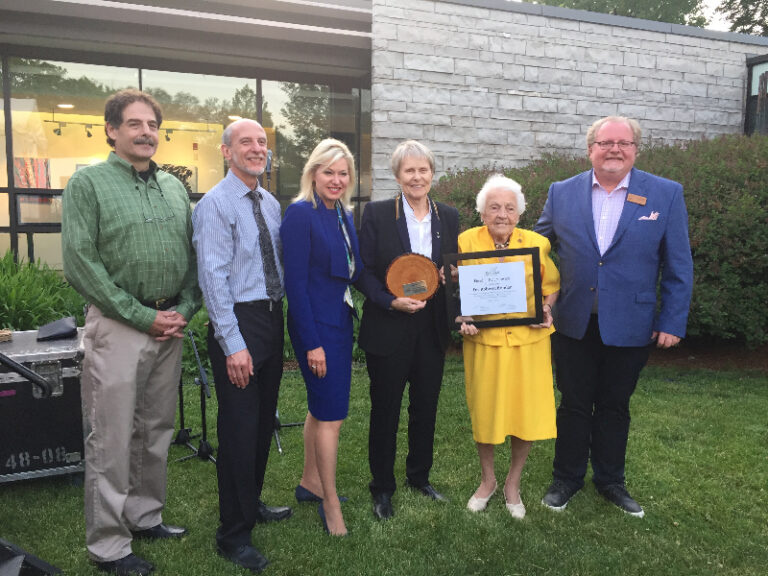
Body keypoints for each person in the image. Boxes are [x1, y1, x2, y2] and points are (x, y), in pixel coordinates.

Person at [62, 89, 201, 576]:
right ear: (112, 130)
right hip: (119, 324)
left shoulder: (174, 188)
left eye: (152, 125)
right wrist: (142, 317)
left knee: (155, 429)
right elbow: (81, 263)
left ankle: (144, 516)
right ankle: (108, 545)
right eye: (135, 124)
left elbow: (191, 256)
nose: (146, 133)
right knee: (112, 436)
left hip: (170, 326)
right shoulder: (88, 184)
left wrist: (185, 307)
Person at [535, 116, 694, 518]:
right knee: (573, 404)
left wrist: (672, 321)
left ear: (636, 149)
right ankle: (566, 479)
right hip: (573, 321)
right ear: (590, 148)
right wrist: (493, 262)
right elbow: (534, 250)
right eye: (606, 142)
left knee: (614, 406)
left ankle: (610, 481)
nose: (615, 150)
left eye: (624, 143)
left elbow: (678, 264)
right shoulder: (561, 192)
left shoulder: (666, 194)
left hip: (631, 322)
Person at [192, 119, 292, 574]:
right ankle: (233, 534)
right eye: (246, 142)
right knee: (238, 428)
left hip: (271, 317)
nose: (256, 149)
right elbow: (213, 278)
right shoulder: (215, 205)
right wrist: (233, 344)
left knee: (262, 422)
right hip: (239, 322)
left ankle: (250, 504)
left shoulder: (270, 202)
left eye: (262, 143)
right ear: (226, 151)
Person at [356, 140, 459, 520]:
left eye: (423, 170)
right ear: (397, 176)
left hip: (431, 327)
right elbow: (362, 271)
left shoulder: (448, 216)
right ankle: (382, 487)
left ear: (432, 173)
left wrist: (452, 274)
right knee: (386, 409)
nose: (417, 177)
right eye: (409, 170)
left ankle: (419, 476)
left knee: (425, 407)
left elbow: (452, 266)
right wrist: (389, 301)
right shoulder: (379, 213)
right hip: (389, 324)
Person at [457, 174, 559, 519]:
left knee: (524, 413)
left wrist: (546, 309)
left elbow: (551, 286)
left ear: (520, 213)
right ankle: (488, 480)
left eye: (510, 208)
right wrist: (462, 314)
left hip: (528, 342)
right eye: (494, 207)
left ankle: (512, 484)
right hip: (484, 341)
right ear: (482, 212)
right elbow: (456, 287)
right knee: (486, 411)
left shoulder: (537, 243)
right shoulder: (466, 241)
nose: (502, 214)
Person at [280, 138, 362, 537]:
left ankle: (310, 483)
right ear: (313, 173)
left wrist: (397, 292)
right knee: (332, 416)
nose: (336, 179)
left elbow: (354, 269)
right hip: (315, 327)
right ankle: (330, 504)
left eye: (343, 173)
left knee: (320, 409)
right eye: (328, 172)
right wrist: (312, 343)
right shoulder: (300, 214)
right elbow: (295, 287)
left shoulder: (342, 213)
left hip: (340, 321)